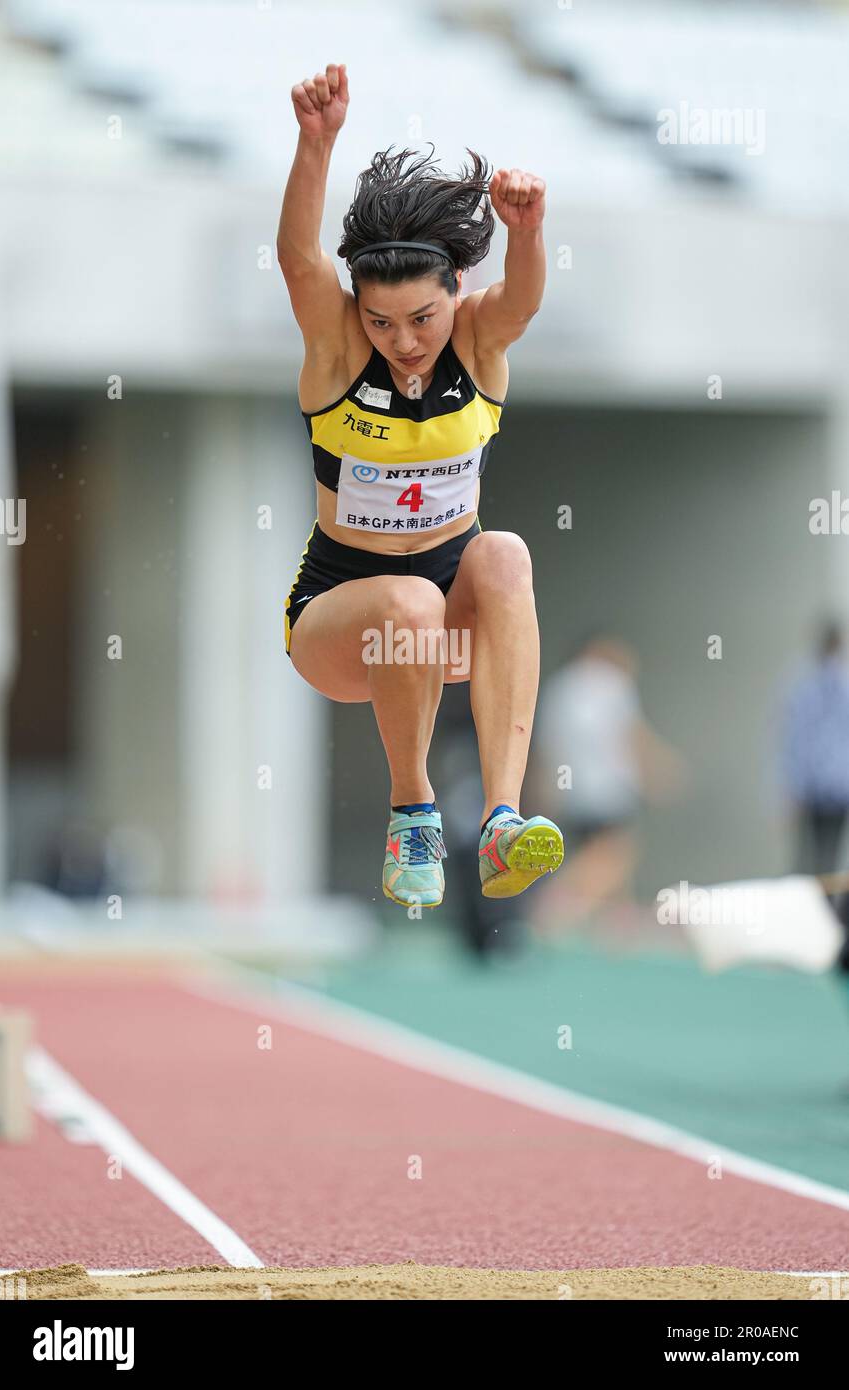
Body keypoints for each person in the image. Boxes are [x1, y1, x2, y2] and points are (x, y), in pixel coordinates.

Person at [276, 61, 564, 909]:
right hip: (342, 615)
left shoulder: (478, 344)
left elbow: (523, 301)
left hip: (452, 614)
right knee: (407, 601)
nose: (402, 340)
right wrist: (315, 143)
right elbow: (298, 262)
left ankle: (504, 821)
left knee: (503, 553)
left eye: (421, 319)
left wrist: (529, 228)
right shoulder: (337, 354)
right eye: (381, 320)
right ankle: (413, 811)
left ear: (456, 294)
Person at [530, 632, 685, 932]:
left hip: (571, 789)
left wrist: (545, 788)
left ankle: (617, 922)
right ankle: (557, 903)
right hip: (608, 788)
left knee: (598, 849)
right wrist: (657, 772)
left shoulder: (559, 687)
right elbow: (630, 736)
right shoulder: (612, 684)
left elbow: (546, 743)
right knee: (614, 854)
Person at [779, 619, 849, 877]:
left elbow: (794, 740)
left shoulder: (809, 682)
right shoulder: (808, 683)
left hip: (829, 788)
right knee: (817, 861)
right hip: (821, 788)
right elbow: (797, 739)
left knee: (819, 861)